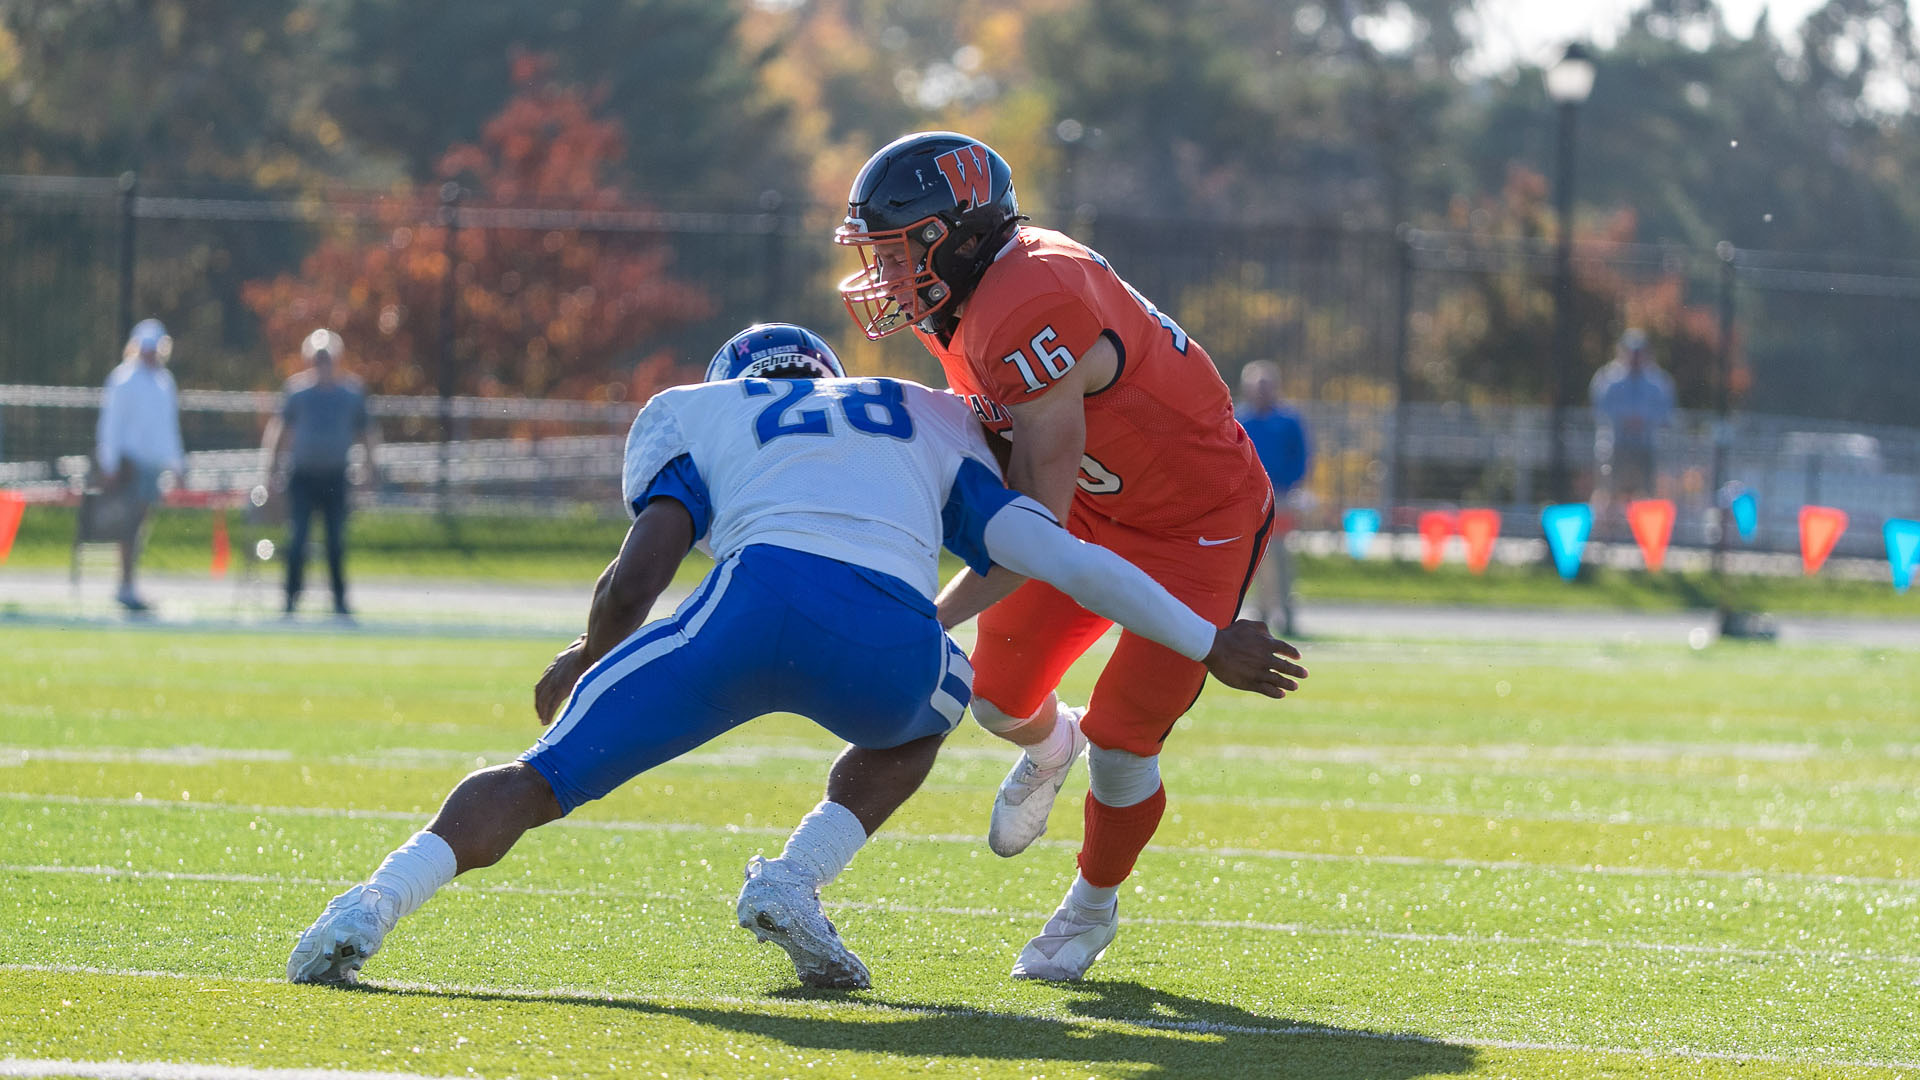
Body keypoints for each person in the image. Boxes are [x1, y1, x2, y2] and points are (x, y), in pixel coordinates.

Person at [286, 324, 1305, 991]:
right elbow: (1053, 552)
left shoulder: (703, 412)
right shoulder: (921, 412)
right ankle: (796, 878)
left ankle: (368, 907)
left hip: (742, 612)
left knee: (539, 779)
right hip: (886, 638)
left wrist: (590, 655)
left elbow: (638, 576)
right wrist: (1208, 638)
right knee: (937, 702)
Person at [835, 132, 1283, 981]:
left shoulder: (1029, 300)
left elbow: (1033, 526)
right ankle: (1050, 747)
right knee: (997, 698)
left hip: (1197, 522)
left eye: (896, 253)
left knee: (1122, 741)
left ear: (957, 237)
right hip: (1094, 501)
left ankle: (1091, 905)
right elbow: (1023, 481)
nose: (885, 275)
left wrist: (926, 619)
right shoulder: (963, 300)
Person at [263, 329, 377, 617]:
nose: (323, 365)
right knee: (297, 538)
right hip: (302, 476)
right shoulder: (297, 392)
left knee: (335, 541)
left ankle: (339, 600)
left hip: (335, 477)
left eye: (327, 359)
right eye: (318, 359)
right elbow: (280, 431)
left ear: (337, 360)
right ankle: (290, 598)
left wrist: (369, 470)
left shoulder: (351, 393)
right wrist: (271, 469)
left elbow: (366, 434)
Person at [94, 318, 186, 613]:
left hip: (151, 467)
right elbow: (111, 425)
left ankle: (129, 583)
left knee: (139, 526)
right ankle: (125, 585)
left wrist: (177, 465)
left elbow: (168, 428)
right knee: (128, 526)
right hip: (129, 466)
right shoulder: (124, 379)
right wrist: (110, 464)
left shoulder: (163, 382)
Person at [1235, 360, 1312, 636]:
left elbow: (1301, 458)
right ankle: (1261, 613)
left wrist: (1287, 485)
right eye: (1257, 386)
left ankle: (1286, 614)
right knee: (1251, 558)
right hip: (1247, 499)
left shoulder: (1288, 421)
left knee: (1279, 556)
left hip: (1279, 497)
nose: (1261, 392)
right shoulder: (1239, 419)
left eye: (1266, 386)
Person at [1588, 328, 1675, 507]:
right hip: (1617, 444)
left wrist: (1644, 420)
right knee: (1611, 490)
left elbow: (1665, 411)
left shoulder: (1658, 381)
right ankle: (1610, 521)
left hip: (1646, 445)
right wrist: (1624, 418)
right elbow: (1600, 408)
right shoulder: (1609, 379)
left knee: (1647, 493)